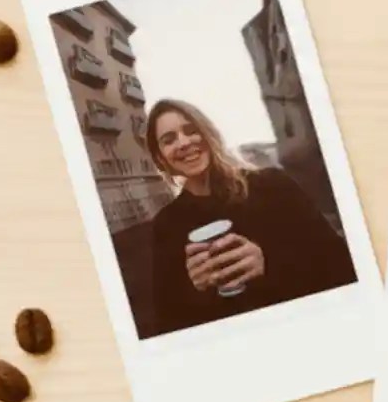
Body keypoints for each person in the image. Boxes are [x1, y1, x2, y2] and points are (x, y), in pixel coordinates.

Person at [142, 98, 356, 337]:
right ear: (161, 158)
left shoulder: (273, 186)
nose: (183, 143)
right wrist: (195, 289)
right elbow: (167, 324)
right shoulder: (167, 225)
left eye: (191, 131)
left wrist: (269, 263)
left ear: (209, 134)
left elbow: (339, 264)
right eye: (168, 140)